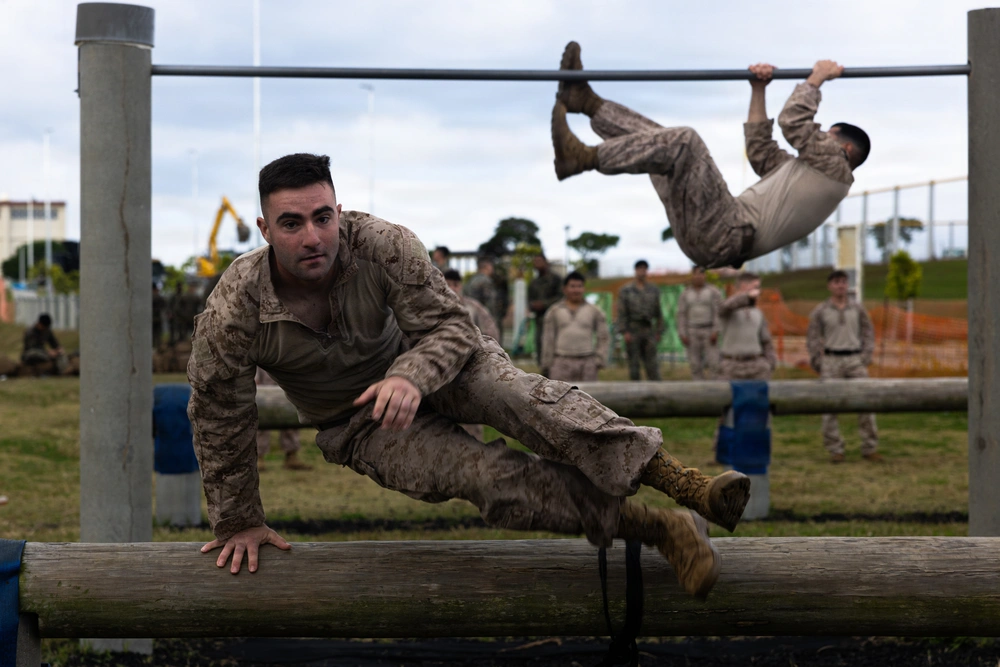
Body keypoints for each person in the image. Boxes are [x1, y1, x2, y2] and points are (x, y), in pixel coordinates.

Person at [188, 153, 752, 599]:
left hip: (441, 362)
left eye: (322, 217)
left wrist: (409, 376)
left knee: (520, 397)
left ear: (340, 211)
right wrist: (239, 520)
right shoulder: (234, 308)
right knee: (488, 478)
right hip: (358, 423)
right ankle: (664, 530)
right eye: (291, 223)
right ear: (264, 229)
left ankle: (689, 485)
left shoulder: (381, 244)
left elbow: (452, 328)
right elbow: (219, 414)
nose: (312, 237)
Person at [551, 43, 870, 270]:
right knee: (660, 146)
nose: (818, 138)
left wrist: (817, 78)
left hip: (726, 230)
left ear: (846, 149)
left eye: (826, 135)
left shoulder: (836, 169)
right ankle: (586, 101)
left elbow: (793, 122)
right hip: (717, 235)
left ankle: (581, 157)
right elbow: (760, 151)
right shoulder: (810, 173)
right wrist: (758, 88)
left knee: (685, 141)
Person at [807, 270, 881, 463]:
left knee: (866, 402)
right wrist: (817, 360)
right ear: (829, 286)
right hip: (831, 361)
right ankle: (835, 450)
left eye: (843, 282)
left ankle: (869, 447)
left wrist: (865, 356)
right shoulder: (821, 310)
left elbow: (868, 332)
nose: (840, 285)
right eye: (836, 282)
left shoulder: (858, 309)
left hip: (854, 360)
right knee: (829, 407)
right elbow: (813, 336)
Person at [541, 271, 610, 382]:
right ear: (565, 289)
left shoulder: (594, 311)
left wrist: (599, 359)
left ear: (584, 289)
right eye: (572, 286)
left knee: (586, 397)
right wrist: (547, 363)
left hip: (587, 362)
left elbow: (603, 336)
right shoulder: (554, 311)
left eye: (579, 286)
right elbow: (548, 338)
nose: (576, 290)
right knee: (559, 397)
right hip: (561, 362)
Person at [717, 273, 777, 382]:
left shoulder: (758, 312)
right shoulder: (728, 309)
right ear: (744, 286)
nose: (759, 291)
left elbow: (766, 340)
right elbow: (724, 307)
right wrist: (747, 297)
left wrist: (770, 363)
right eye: (756, 287)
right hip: (732, 367)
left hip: (757, 367)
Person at [255, 367, 311, 471]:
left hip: (285, 373)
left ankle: (291, 455)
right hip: (264, 377)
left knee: (291, 416)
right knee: (260, 417)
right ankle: (258, 457)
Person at [616, 260, 663, 381]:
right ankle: (635, 392)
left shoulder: (653, 290)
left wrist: (659, 330)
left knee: (652, 363)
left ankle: (655, 391)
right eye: (640, 269)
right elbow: (622, 312)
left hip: (648, 329)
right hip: (633, 330)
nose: (642, 271)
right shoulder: (626, 290)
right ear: (635, 271)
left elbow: (658, 312)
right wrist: (624, 331)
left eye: (644, 269)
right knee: (634, 364)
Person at [677, 267, 723, 380]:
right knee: (695, 364)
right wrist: (682, 333)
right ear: (692, 276)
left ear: (705, 276)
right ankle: (699, 390)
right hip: (692, 331)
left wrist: (715, 331)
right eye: (696, 274)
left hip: (709, 330)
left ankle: (715, 391)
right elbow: (681, 314)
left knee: (714, 363)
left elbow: (718, 312)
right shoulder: (685, 293)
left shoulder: (713, 291)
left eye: (701, 274)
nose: (698, 277)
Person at [528, 253, 564, 368]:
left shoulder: (556, 279)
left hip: (556, 319)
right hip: (540, 319)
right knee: (541, 344)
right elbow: (529, 300)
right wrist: (533, 305)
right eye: (535, 262)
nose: (537, 264)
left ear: (545, 262)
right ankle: (544, 368)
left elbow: (561, 297)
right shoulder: (533, 283)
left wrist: (544, 304)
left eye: (539, 261)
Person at [444, 269, 500, 341]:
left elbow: (491, 329)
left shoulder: (473, 306)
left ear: (461, 286)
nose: (452, 288)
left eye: (455, 284)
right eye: (448, 284)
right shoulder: (435, 307)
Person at [464, 257, 501, 337]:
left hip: (471, 317)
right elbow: (490, 302)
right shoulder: (486, 281)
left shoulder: (471, 281)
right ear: (486, 267)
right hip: (483, 318)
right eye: (491, 267)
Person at [152, 283, 167, 348]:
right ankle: (158, 345)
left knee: (153, 332)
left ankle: (154, 345)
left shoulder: (150, 297)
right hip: (158, 317)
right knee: (157, 333)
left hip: (153, 318)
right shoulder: (159, 297)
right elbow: (164, 306)